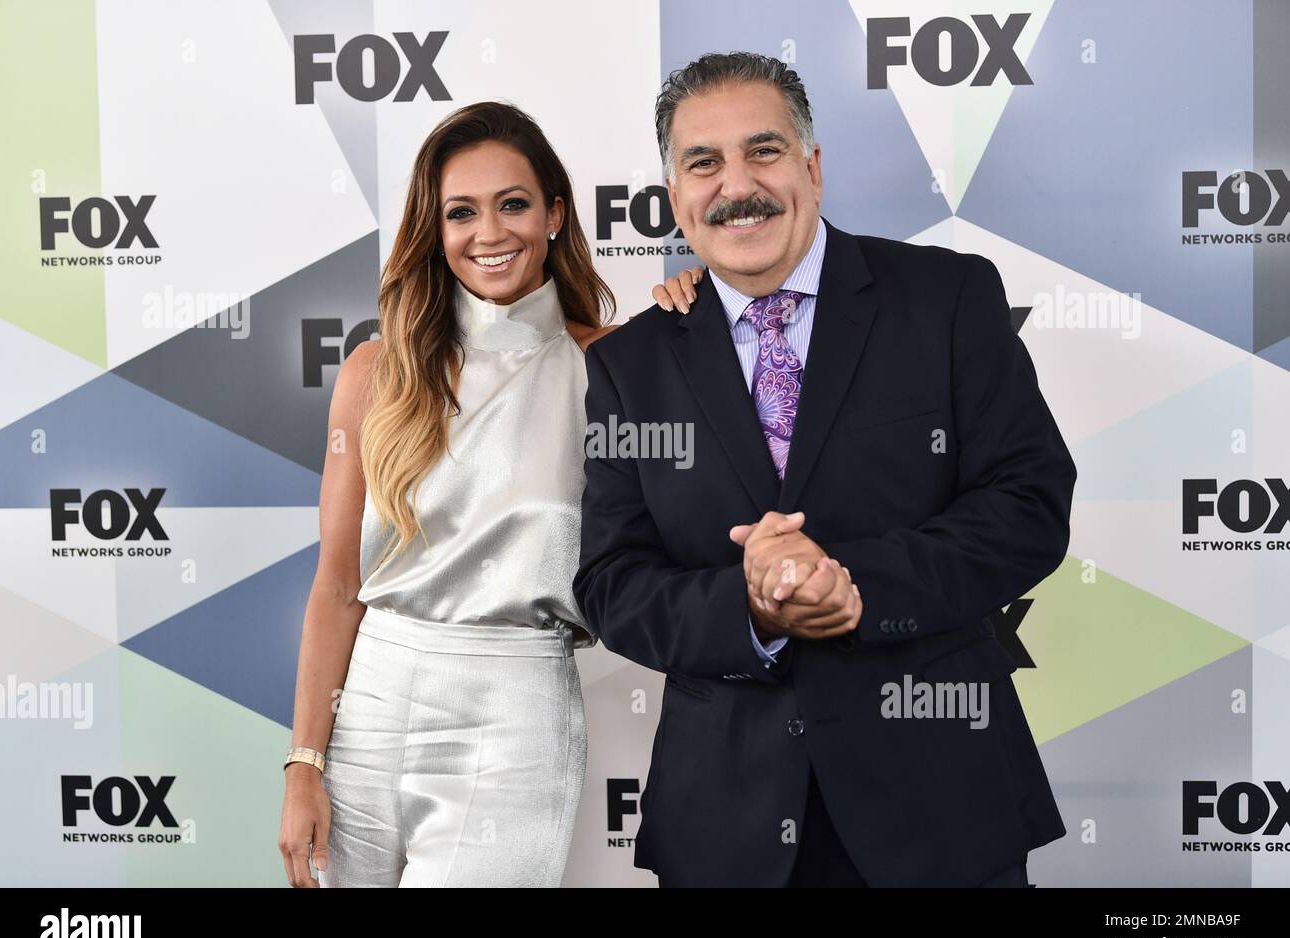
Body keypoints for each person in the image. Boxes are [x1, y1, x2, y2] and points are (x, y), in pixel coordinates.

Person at [573, 52, 1078, 887]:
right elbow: (612, 582)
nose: (737, 185)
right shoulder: (633, 364)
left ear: (811, 165)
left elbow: (1027, 506)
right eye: (704, 162)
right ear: (675, 199)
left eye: (763, 151)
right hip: (724, 831)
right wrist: (753, 607)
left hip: (941, 810)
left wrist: (850, 584)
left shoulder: (946, 298)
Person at [277, 101, 690, 887]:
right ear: (435, 231)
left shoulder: (611, 368)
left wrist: (700, 309)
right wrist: (304, 763)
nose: (489, 233)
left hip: (516, 712)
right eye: (461, 212)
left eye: (514, 204)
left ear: (556, 215)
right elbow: (336, 587)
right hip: (369, 703)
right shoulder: (377, 372)